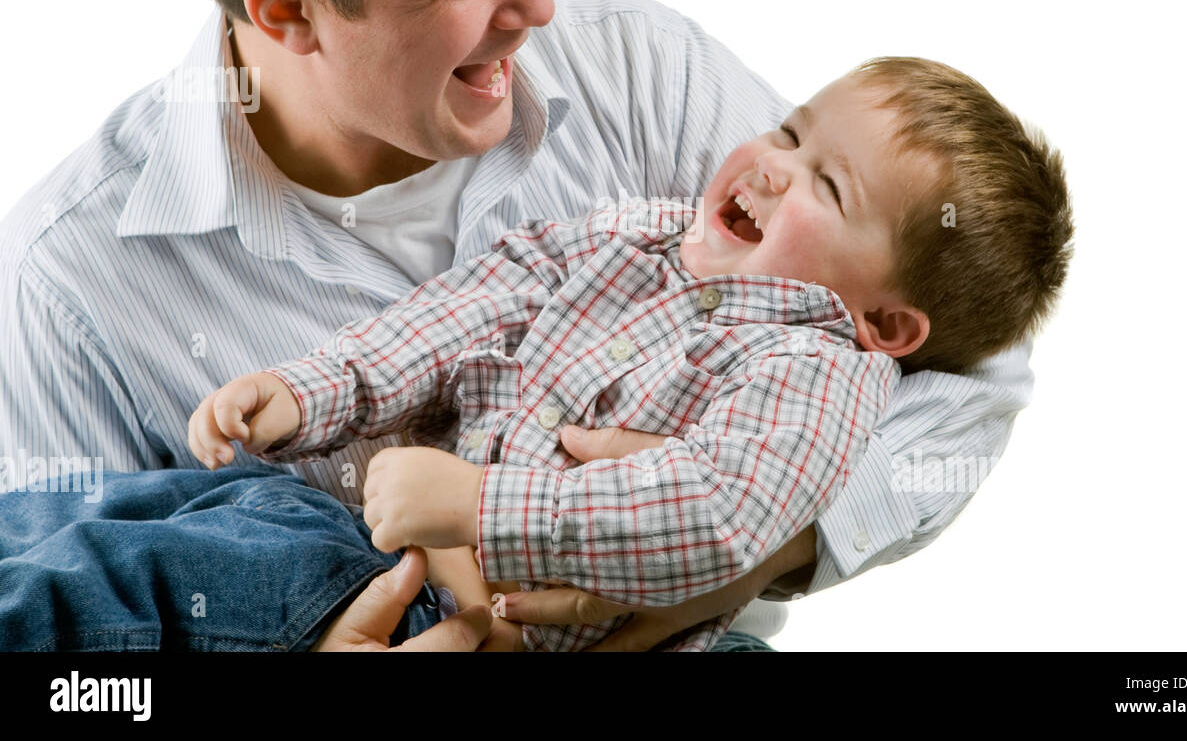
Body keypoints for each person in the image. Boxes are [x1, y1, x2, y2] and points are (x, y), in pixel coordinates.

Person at [0, 0, 1038, 651]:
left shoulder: (636, 69)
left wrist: (749, 543)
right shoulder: (70, 280)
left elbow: (971, 364)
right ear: (288, 11)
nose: (539, 5)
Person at [0, 58, 1072, 652]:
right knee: (101, 510)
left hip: (422, 595)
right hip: (359, 545)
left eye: (825, 188)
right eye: (788, 133)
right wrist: (307, 389)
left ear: (886, 324)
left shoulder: (818, 374)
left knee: (137, 586)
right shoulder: (639, 235)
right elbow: (473, 304)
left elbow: (717, 509)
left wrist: (478, 502)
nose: (770, 165)